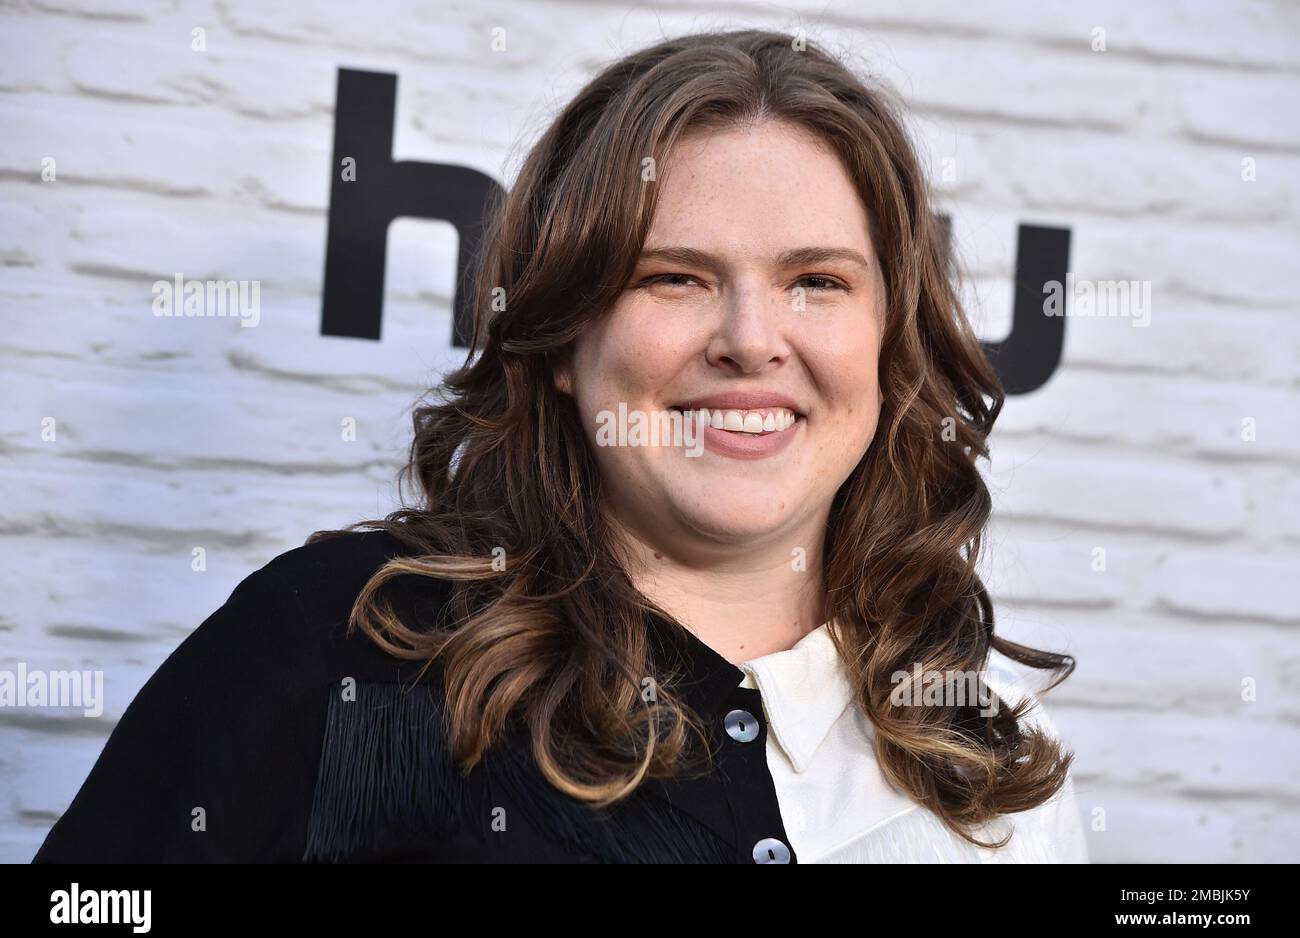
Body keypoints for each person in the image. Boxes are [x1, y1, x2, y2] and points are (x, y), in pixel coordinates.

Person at [33, 28, 1088, 864]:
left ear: (887, 341)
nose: (751, 341)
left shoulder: (981, 755)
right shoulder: (347, 645)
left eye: (818, 281)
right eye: (672, 276)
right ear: (557, 338)